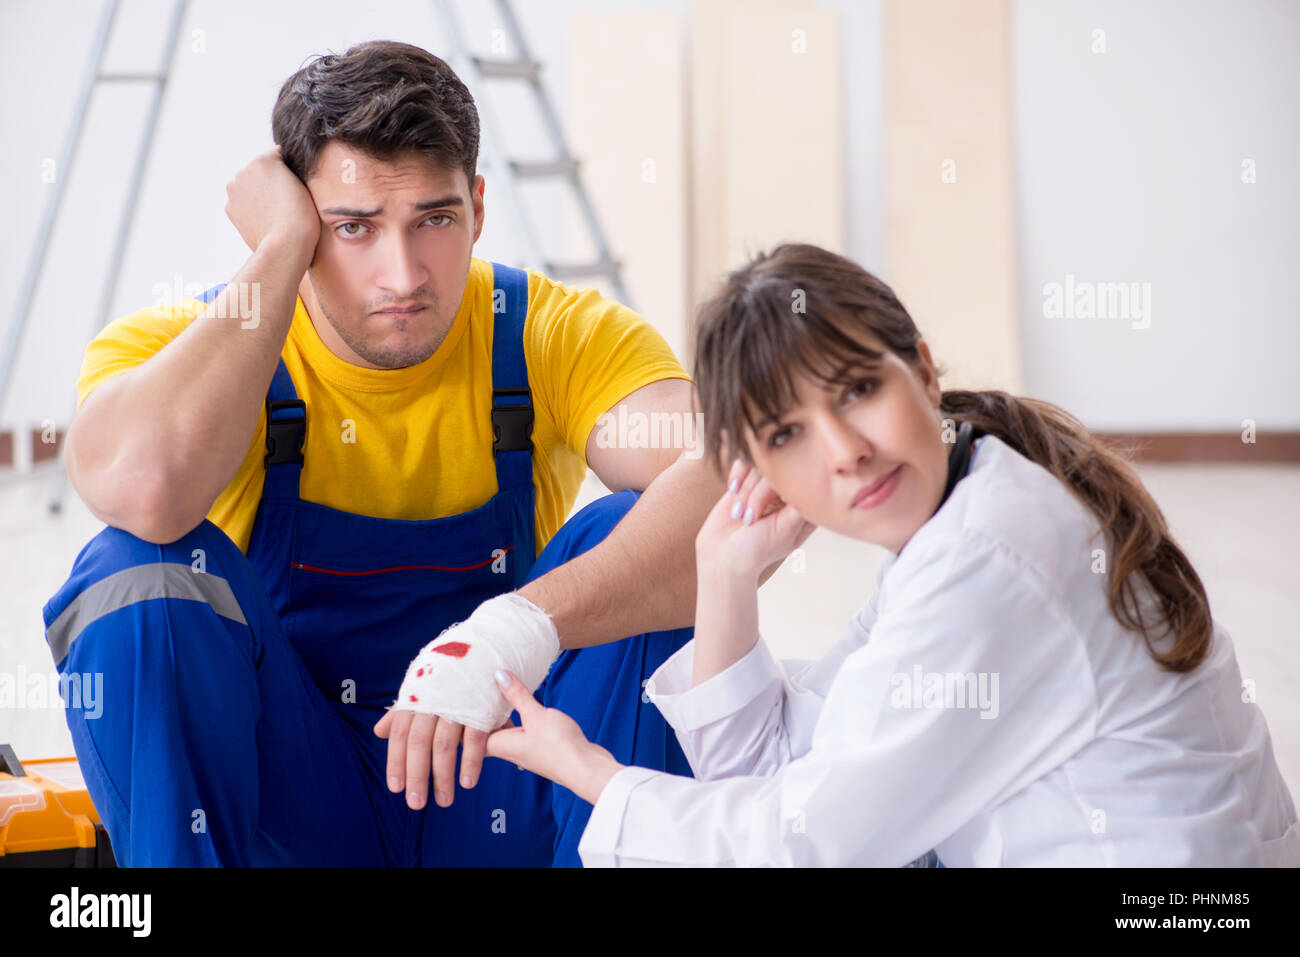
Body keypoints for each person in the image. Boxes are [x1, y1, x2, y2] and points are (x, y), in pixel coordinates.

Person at [42, 39, 733, 867]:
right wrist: (276, 255)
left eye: (434, 220)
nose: (401, 274)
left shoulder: (548, 333)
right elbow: (142, 489)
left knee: (644, 527)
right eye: (353, 228)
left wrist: (515, 629)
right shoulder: (196, 346)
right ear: (297, 226)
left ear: (477, 208)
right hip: (299, 801)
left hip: (499, 776)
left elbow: (735, 478)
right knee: (140, 570)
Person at [483, 243, 1300, 866]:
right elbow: (782, 766)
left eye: (856, 391)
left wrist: (595, 774)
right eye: (787, 435)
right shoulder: (955, 517)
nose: (844, 452)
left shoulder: (990, 554)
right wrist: (725, 574)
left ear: (922, 368)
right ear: (758, 471)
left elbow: (806, 844)